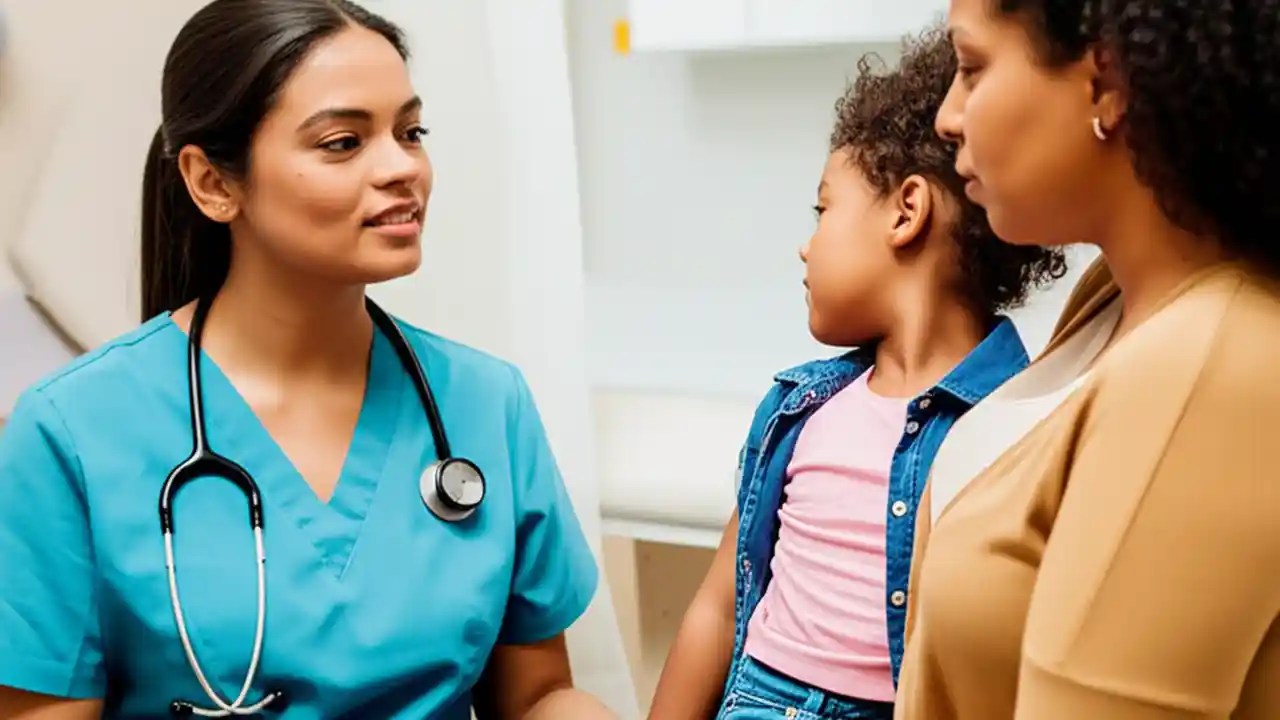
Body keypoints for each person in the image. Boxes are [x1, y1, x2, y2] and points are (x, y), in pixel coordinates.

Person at [0, 1, 614, 718]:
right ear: (213, 183)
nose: (402, 168)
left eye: (410, 132)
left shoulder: (485, 401)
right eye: (342, 142)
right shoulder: (73, 431)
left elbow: (539, 694)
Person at [646, 26, 1065, 720]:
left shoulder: (1023, 423)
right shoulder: (800, 409)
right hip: (759, 699)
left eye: (823, 208)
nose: (805, 246)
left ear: (907, 211)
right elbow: (718, 608)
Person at [894, 1, 1280, 718]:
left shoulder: (1207, 369)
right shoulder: (1113, 300)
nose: (948, 116)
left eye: (973, 68)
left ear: (1107, 82)